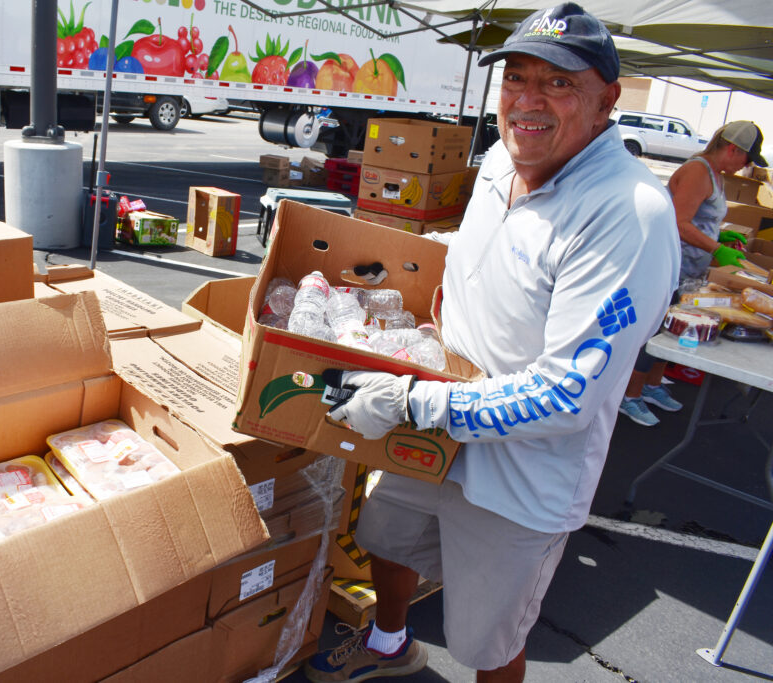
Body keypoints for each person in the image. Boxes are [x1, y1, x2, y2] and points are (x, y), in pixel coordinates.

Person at [304, 4, 680, 682]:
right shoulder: (499, 161)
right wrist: (414, 324)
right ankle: (390, 642)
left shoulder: (629, 214)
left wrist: (410, 399)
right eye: (516, 78)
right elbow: (479, 264)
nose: (528, 100)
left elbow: (565, 396)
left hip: (521, 472)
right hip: (439, 417)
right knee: (386, 537)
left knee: (486, 638)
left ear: (607, 100)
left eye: (559, 83)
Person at [619, 120, 766, 427]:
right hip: (671, 265)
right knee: (656, 332)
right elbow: (678, 221)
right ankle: (629, 397)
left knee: (673, 330)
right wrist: (716, 249)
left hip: (689, 269)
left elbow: (700, 220)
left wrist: (720, 237)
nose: (747, 166)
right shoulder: (699, 171)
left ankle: (651, 387)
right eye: (747, 159)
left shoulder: (717, 175)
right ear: (732, 149)